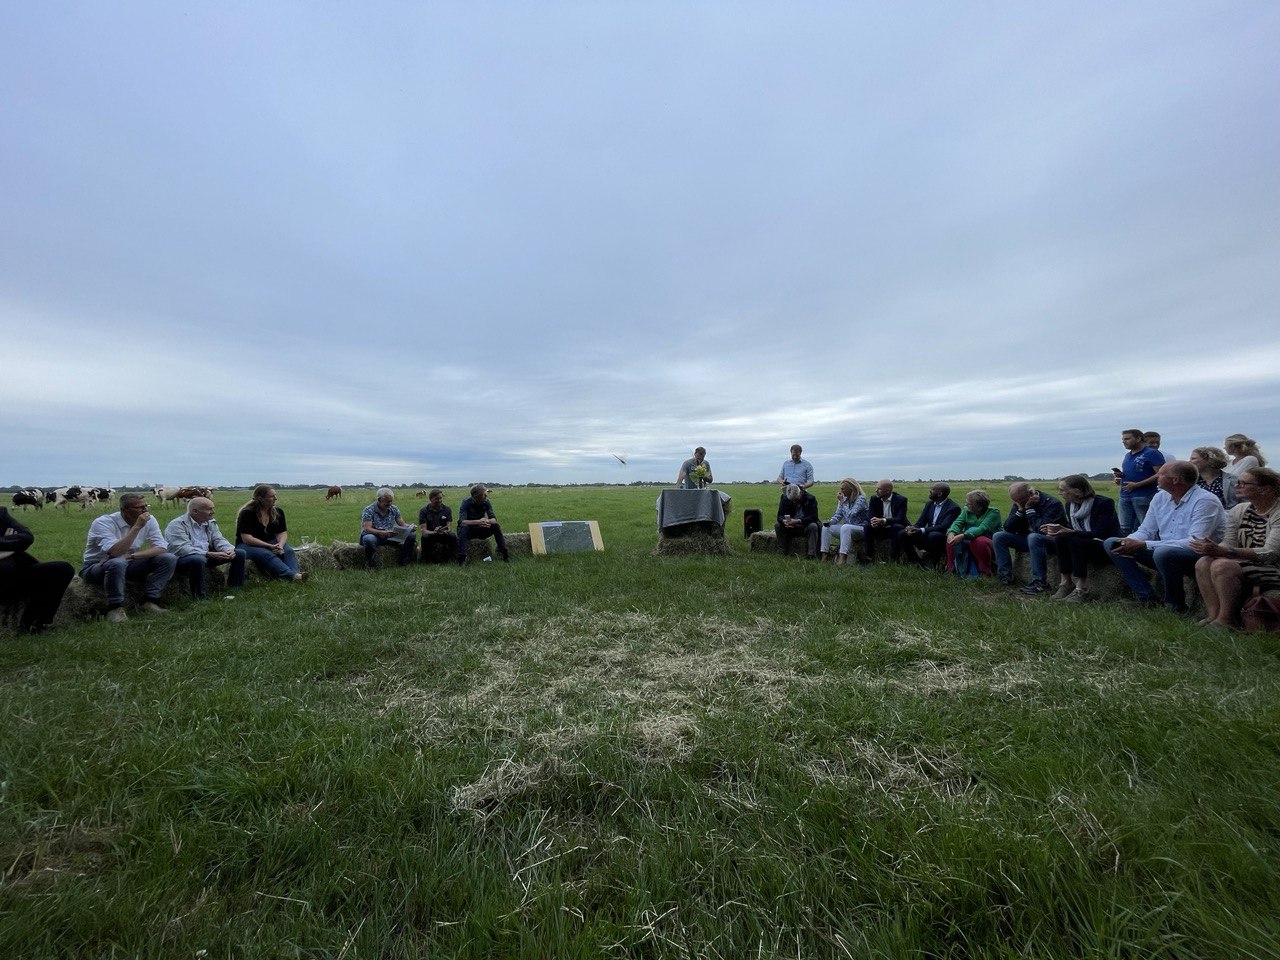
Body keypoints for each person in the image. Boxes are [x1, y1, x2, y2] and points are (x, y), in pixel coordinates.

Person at [1105, 461, 1227, 613]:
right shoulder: (1160, 498)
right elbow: (1146, 530)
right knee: (1112, 544)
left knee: (1164, 552)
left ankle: (1175, 605)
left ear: (1175, 480)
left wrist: (1144, 545)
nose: (1156, 476)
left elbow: (1196, 542)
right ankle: (1147, 598)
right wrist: (1128, 541)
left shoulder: (1205, 501)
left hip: (1199, 556)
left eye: (1161, 474)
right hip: (1164, 553)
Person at [1192, 467, 1280, 628]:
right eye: (1237, 482)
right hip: (1250, 562)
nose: (1237, 486)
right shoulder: (1239, 510)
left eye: (1243, 483)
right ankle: (1213, 616)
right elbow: (1228, 542)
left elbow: (1271, 553)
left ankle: (1226, 620)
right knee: (1204, 561)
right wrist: (1212, 549)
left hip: (1274, 566)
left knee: (1222, 565)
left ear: (1265, 489)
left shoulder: (1277, 511)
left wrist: (1226, 552)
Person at [80, 492, 178, 622]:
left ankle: (150, 601)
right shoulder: (103, 523)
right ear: (123, 510)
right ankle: (115, 609)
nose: (145, 510)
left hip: (128, 561)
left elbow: (161, 547)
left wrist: (131, 555)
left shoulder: (150, 520)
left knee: (169, 558)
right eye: (139, 508)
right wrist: (137, 527)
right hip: (96, 566)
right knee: (117, 562)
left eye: (146, 506)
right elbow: (115, 553)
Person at [1030, 475, 1121, 603]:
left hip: (1105, 544)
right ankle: (1065, 583)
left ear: (1077, 491)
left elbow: (1102, 532)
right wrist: (1059, 529)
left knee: (1074, 540)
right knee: (1061, 539)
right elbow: (1075, 529)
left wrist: (1071, 531)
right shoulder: (1070, 505)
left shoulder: (1104, 503)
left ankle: (1081, 589)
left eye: (1062, 490)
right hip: (1084, 543)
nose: (1059, 493)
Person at [0, 506, 74, 634]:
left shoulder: (1, 513)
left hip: (15, 578)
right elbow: (20, 540)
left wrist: (3, 549)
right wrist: (11, 545)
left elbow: (27, 537)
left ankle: (33, 624)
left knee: (63, 569)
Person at [165, 497, 247, 599]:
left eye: (212, 508)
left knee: (239, 553)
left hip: (206, 556)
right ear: (195, 511)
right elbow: (182, 548)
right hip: (183, 559)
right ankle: (200, 596)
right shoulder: (177, 525)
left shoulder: (210, 522)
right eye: (209, 509)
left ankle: (235, 588)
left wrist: (229, 549)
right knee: (198, 559)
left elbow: (218, 539)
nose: (213, 512)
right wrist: (208, 554)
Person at [992, 482, 1066, 591]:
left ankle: (1040, 582)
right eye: (1015, 501)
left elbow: (1042, 531)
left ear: (1030, 494)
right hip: (1029, 540)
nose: (1017, 503)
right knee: (999, 536)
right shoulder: (1020, 502)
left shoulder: (1052, 503)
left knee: (1034, 537)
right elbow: (1008, 528)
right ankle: (1005, 575)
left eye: (1020, 501)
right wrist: (1021, 510)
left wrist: (1029, 509)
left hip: (1050, 541)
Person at [235, 485, 305, 582]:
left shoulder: (278, 512)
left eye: (275, 495)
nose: (275, 498)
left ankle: (296, 575)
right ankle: (292, 576)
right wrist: (269, 546)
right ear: (261, 498)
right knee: (266, 554)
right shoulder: (247, 513)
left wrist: (280, 545)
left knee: (288, 551)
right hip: (246, 545)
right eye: (272, 496)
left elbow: (282, 532)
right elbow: (247, 538)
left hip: (271, 542)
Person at [893, 483, 961, 568]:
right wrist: (912, 528)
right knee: (902, 534)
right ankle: (916, 561)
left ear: (940, 494)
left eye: (932, 490)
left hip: (942, 536)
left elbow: (943, 527)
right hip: (928, 533)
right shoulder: (929, 504)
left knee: (933, 535)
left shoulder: (953, 508)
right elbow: (921, 522)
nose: (930, 491)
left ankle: (934, 564)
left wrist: (922, 530)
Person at [1113, 428, 1166, 535]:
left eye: (1127, 438)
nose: (1124, 441)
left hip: (1143, 496)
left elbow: (1161, 474)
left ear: (1138, 438)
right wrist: (1121, 475)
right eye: (1123, 439)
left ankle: (1149, 550)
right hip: (1125, 496)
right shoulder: (1128, 455)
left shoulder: (1152, 453)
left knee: (1146, 528)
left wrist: (1137, 485)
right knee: (1124, 528)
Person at [945, 490, 1002, 578]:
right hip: (969, 540)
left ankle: (985, 572)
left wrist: (964, 535)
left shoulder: (993, 513)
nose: (966, 505)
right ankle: (951, 569)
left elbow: (982, 529)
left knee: (979, 541)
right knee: (952, 539)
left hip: (990, 543)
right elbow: (958, 523)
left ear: (979, 507)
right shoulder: (966, 510)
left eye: (969, 504)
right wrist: (951, 532)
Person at [360, 488, 417, 568]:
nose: (390, 503)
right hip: (375, 536)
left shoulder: (394, 509)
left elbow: (402, 524)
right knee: (369, 539)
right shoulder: (369, 510)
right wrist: (383, 533)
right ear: (379, 500)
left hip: (389, 536)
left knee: (411, 534)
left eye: (391, 501)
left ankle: (404, 561)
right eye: (387, 502)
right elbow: (367, 529)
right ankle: (372, 565)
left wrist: (410, 527)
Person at [819, 478, 870, 565]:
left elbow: (851, 516)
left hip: (860, 528)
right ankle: (824, 556)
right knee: (826, 527)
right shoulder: (844, 499)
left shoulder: (861, 499)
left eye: (843, 489)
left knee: (845, 527)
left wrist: (842, 502)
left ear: (852, 489)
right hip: (846, 529)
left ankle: (842, 558)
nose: (841, 491)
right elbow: (838, 515)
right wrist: (830, 522)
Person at [457, 485, 510, 564]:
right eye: (484, 495)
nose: (486, 496)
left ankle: (505, 554)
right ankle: (462, 559)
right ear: (477, 496)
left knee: (496, 526)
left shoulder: (486, 502)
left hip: (481, 529)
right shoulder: (465, 503)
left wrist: (486, 521)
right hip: (469, 531)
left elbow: (493, 519)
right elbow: (462, 522)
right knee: (464, 528)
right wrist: (479, 522)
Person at [864, 479, 909, 563]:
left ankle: (894, 558)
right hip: (878, 528)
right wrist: (873, 521)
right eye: (876, 488)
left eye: (879, 489)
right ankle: (869, 557)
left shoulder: (901, 500)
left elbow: (899, 518)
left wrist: (883, 520)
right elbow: (870, 514)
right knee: (867, 525)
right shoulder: (874, 498)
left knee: (897, 527)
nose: (876, 490)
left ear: (888, 490)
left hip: (892, 528)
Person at [775, 483, 821, 558]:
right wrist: (783, 521)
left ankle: (811, 554)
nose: (794, 502)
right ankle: (782, 551)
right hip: (790, 527)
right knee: (777, 525)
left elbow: (814, 517)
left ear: (800, 493)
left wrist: (798, 521)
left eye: (796, 500)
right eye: (792, 501)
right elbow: (779, 516)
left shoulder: (810, 498)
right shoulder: (784, 498)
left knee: (813, 526)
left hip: (804, 526)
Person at [417, 489, 458, 564]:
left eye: (440, 498)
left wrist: (447, 531)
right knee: (424, 537)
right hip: (431, 535)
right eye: (436, 498)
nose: (439, 500)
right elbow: (423, 530)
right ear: (431, 499)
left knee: (453, 536)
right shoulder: (423, 511)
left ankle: (453, 558)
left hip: (443, 534)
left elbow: (449, 526)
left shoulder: (447, 509)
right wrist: (434, 532)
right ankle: (426, 560)